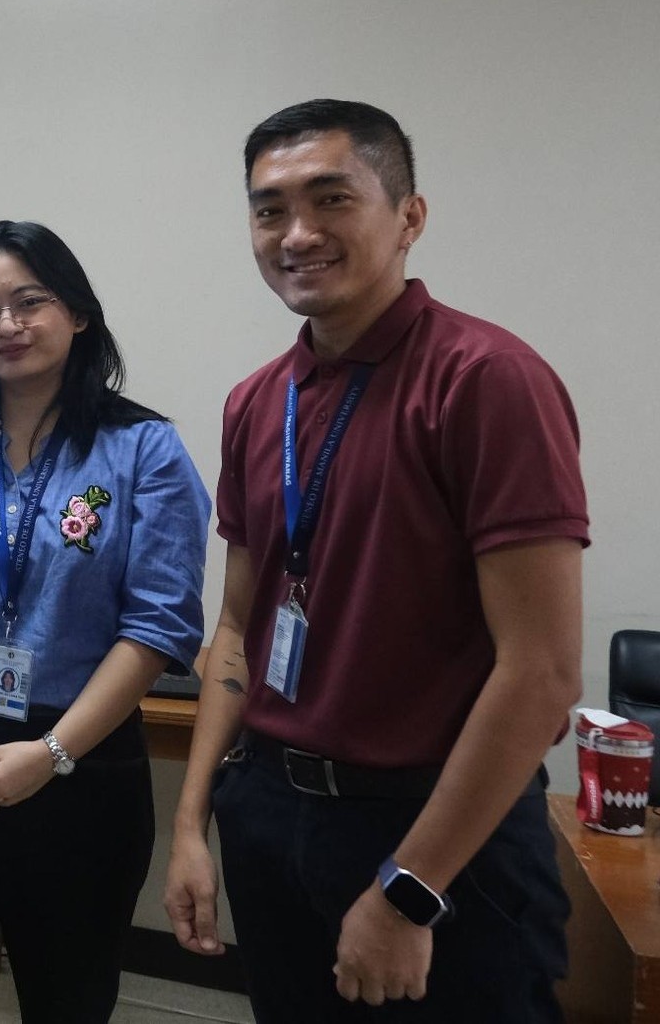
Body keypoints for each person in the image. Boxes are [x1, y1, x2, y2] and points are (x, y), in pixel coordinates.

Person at [163, 100, 585, 1019]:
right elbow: (238, 627)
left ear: (409, 217)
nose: (297, 233)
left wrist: (410, 886)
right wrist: (193, 822)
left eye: (331, 198)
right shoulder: (255, 402)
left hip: (437, 828)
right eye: (269, 208)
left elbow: (542, 672)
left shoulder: (485, 381)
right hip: (274, 810)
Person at [0, 220, 209, 1022]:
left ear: (79, 312)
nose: (6, 326)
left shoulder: (144, 449)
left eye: (29, 301)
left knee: (68, 995)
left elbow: (159, 623)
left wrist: (51, 753)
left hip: (79, 761)